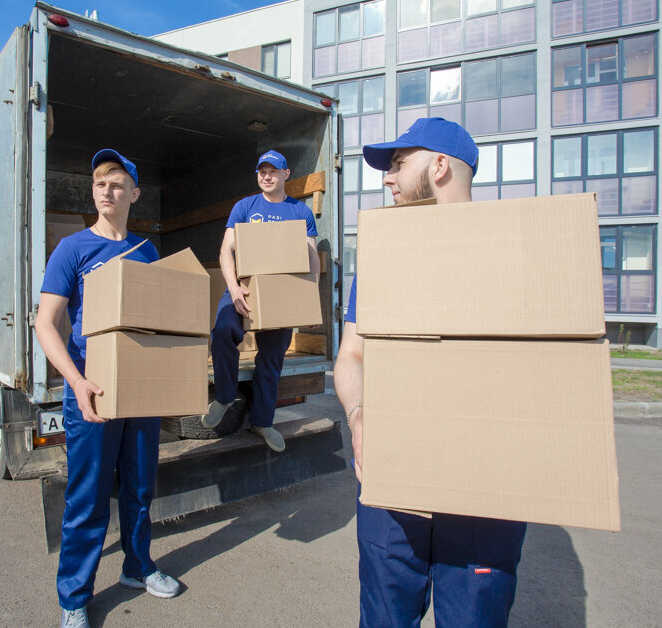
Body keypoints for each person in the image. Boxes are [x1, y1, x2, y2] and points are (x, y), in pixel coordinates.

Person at [334, 118, 527, 627]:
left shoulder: (517, 250)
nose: (387, 178)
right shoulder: (382, 253)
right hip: (392, 469)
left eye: (398, 164)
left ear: (439, 165)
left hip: (485, 482)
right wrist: (357, 416)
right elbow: (351, 355)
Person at [35, 149, 181, 628]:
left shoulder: (147, 250)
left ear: (134, 194)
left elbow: (156, 325)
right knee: (88, 496)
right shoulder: (73, 250)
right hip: (92, 391)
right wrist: (74, 382)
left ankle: (138, 568)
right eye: (99, 183)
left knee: (139, 488)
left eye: (117, 183)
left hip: (137, 390)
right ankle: (74, 597)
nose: (106, 190)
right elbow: (45, 324)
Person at [202, 149, 320, 452]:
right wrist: (234, 287)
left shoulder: (300, 212)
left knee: (271, 360)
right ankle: (225, 397)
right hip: (242, 286)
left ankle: (262, 421)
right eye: (261, 171)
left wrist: (309, 298)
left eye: (273, 171)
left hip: (280, 294)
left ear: (286, 174)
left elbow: (309, 257)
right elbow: (225, 251)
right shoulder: (245, 207)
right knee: (224, 331)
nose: (266, 176)